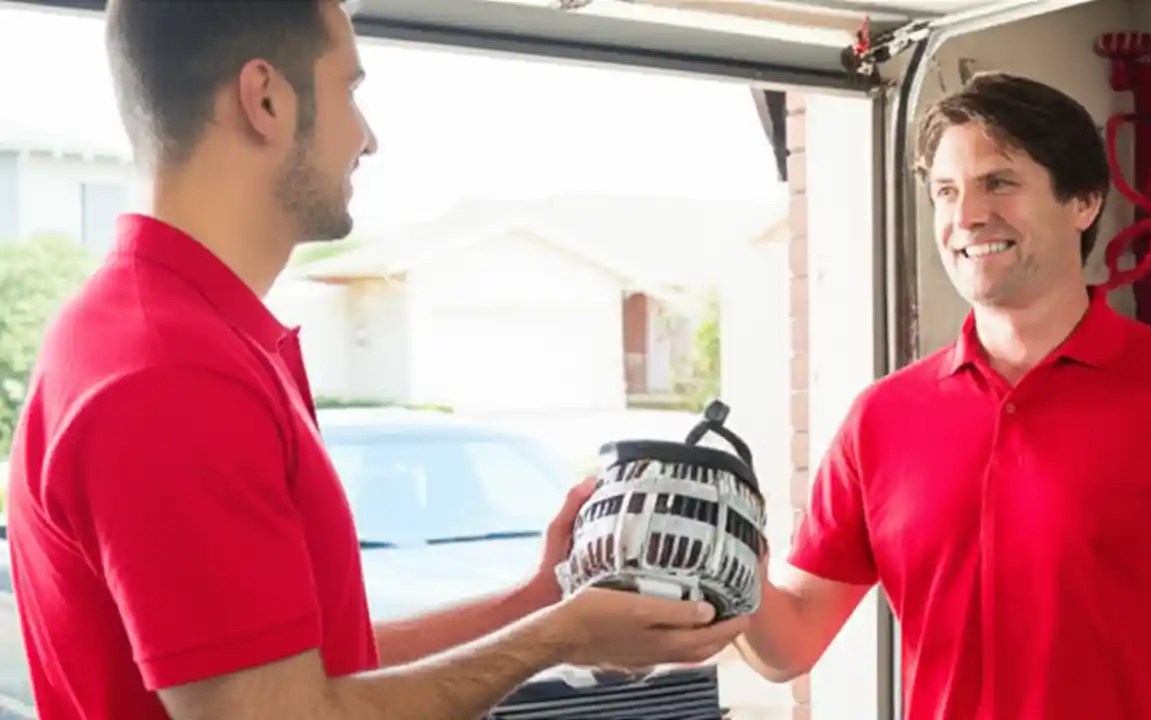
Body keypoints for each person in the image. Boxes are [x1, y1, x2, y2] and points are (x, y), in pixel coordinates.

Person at [5, 1, 748, 719]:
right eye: (349, 89)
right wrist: (559, 639)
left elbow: (316, 674)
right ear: (266, 100)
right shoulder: (174, 376)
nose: (368, 140)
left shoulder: (164, 333)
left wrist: (538, 604)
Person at [735, 72, 1151, 719]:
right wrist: (725, 561)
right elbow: (789, 644)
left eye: (998, 182)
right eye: (946, 191)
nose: (965, 216)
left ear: (1084, 202)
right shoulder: (880, 418)